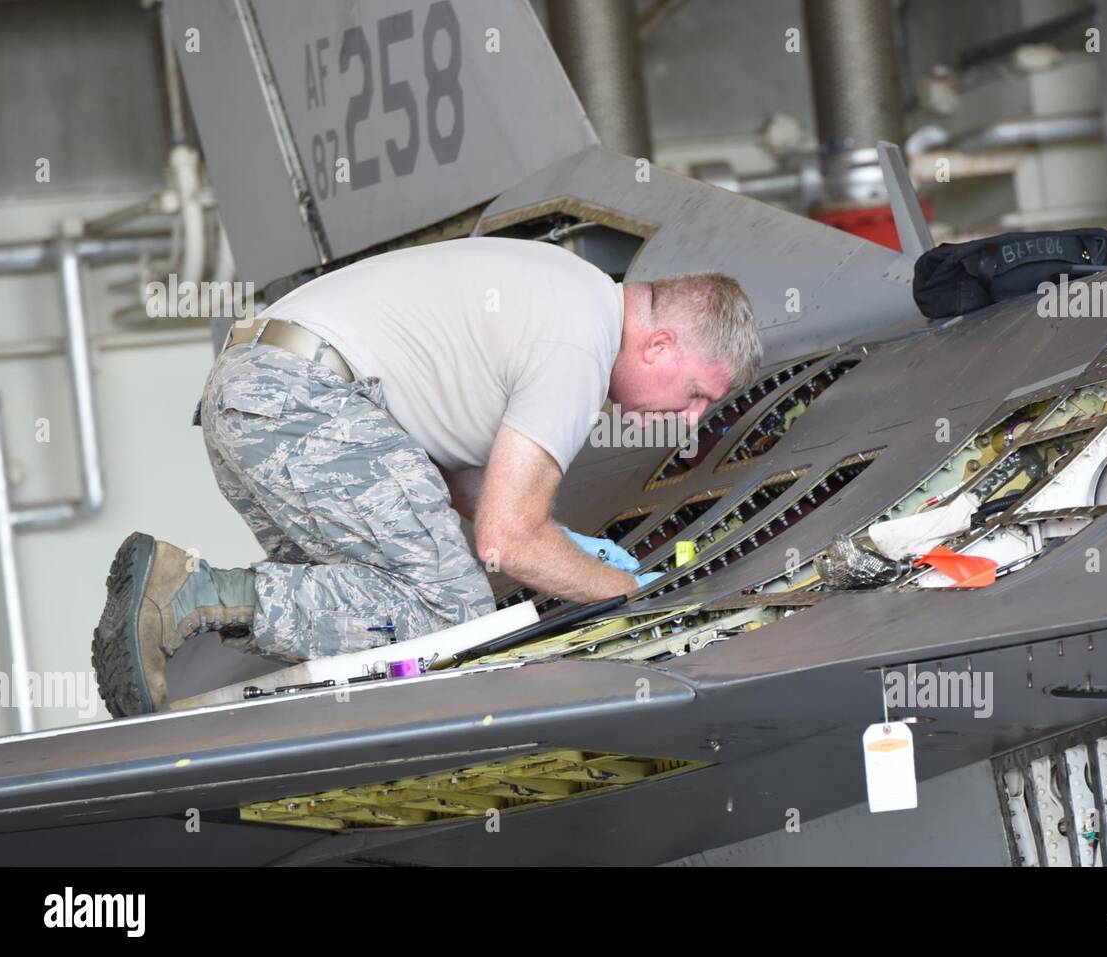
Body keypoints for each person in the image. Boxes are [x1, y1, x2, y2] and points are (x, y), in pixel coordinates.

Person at [92, 236, 762, 715]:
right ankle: (189, 591)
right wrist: (629, 595)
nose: (689, 417)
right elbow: (507, 541)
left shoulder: (570, 293)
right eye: (698, 394)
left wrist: (563, 543)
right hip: (301, 398)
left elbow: (457, 490)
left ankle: (176, 626)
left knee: (362, 607)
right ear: (662, 345)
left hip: (257, 392)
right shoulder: (579, 344)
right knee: (453, 615)